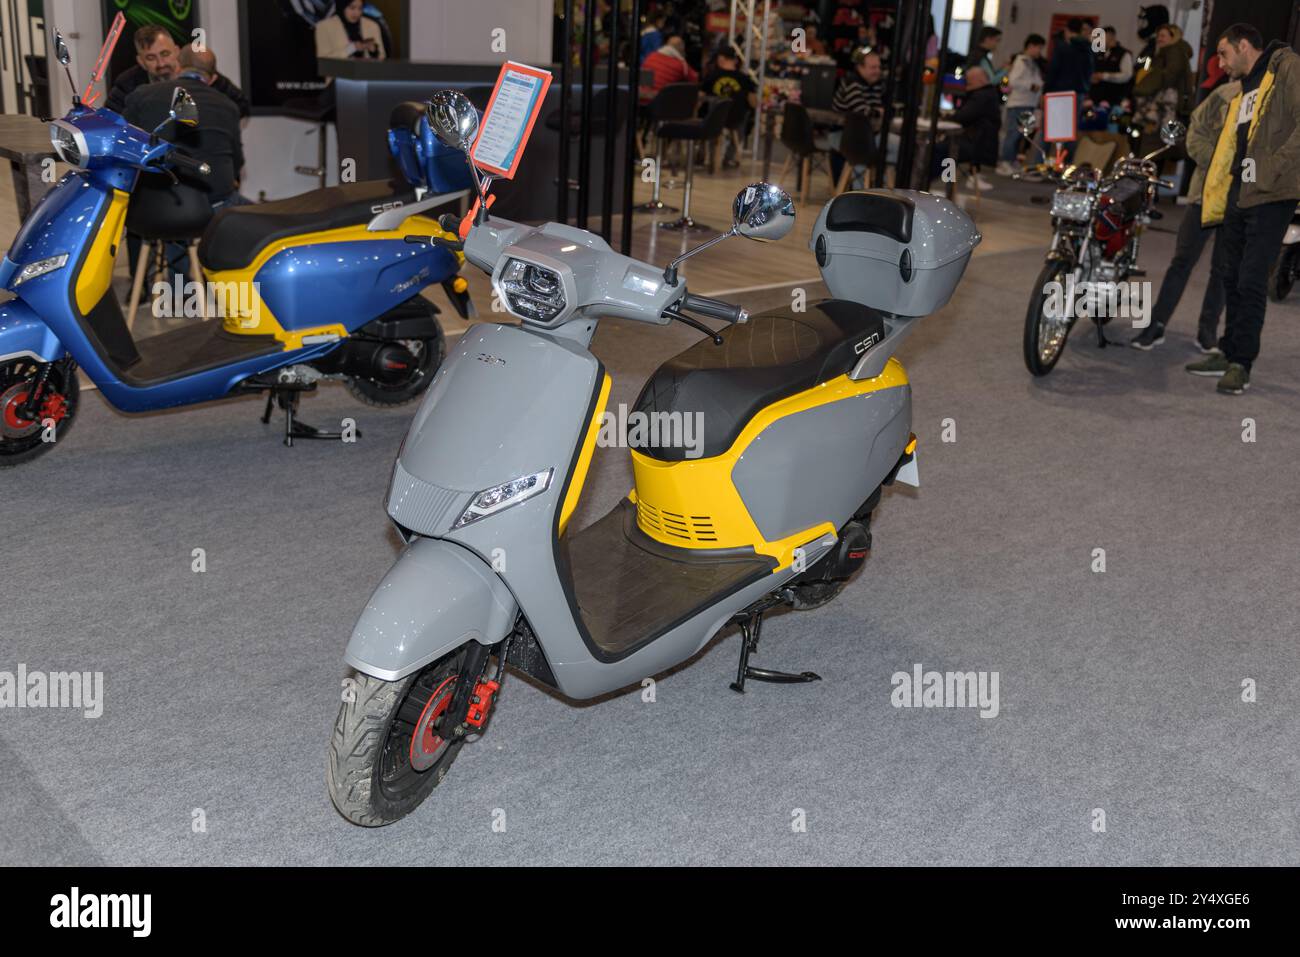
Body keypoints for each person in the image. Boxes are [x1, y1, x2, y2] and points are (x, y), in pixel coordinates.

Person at [1186, 24, 1300, 394]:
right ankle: (1228, 348)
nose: (1219, 63)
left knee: (1252, 278)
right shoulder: (1245, 86)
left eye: (1223, 53)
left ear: (1245, 45)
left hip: (1271, 192)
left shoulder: (1286, 67)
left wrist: (1270, 169)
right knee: (1228, 274)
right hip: (1238, 189)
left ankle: (1242, 362)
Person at [1130, 77, 1239, 350]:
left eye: (1225, 55)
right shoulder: (1223, 94)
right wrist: (1218, 162)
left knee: (1223, 269)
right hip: (1204, 194)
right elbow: (1195, 134)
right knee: (1182, 262)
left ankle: (1207, 331)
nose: (1222, 64)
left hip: (1239, 200)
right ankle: (1156, 324)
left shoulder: (1270, 99)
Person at [106, 24, 250, 118]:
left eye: (165, 54)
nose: (161, 63)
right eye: (151, 57)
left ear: (177, 51)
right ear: (141, 62)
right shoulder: (127, 83)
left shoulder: (199, 73)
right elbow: (109, 118)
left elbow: (240, 105)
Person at [830, 48, 893, 186]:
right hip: (843, 136)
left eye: (878, 67)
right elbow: (862, 112)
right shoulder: (852, 82)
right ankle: (874, 191)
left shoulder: (875, 83)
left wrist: (878, 111)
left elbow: (879, 110)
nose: (877, 71)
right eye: (873, 67)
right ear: (860, 68)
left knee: (894, 147)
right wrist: (878, 111)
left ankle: (876, 190)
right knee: (895, 148)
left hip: (864, 135)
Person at [933, 65, 1001, 191]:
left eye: (969, 81)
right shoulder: (988, 93)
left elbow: (963, 117)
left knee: (939, 149)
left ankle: (933, 182)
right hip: (980, 143)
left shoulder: (981, 96)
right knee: (943, 147)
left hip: (976, 146)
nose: (967, 83)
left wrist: (945, 119)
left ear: (980, 80)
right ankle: (945, 183)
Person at [997, 34, 1045, 176]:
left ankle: (1012, 160)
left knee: (1022, 134)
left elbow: (1036, 81)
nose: (1040, 51)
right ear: (1030, 46)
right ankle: (1004, 162)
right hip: (1018, 103)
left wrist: (1038, 86)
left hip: (1028, 103)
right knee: (1013, 133)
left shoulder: (1031, 62)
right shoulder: (1021, 61)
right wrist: (1031, 86)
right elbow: (1013, 81)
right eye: (1039, 48)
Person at [701, 45, 756, 167]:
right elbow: (753, 101)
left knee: (706, 118)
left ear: (720, 59)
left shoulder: (711, 76)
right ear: (735, 60)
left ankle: (709, 157)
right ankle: (729, 158)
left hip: (713, 119)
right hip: (735, 119)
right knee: (743, 121)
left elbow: (701, 96)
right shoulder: (744, 78)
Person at [1133, 23, 1193, 130]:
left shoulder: (1174, 52)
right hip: (1163, 100)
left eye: (1163, 36)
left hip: (1166, 100)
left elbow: (1170, 75)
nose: (1159, 39)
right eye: (1158, 36)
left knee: (1162, 134)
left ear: (1173, 37)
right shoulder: (1163, 53)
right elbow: (1145, 67)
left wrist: (1151, 89)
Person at [315, 0, 386, 60]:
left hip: (367, 74)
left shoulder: (372, 26)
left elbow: (382, 58)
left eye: (360, 8)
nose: (357, 13)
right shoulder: (324, 27)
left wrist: (374, 51)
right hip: (338, 75)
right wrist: (351, 48)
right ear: (342, 6)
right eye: (352, 8)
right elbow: (323, 60)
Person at [1090, 26, 1134, 107]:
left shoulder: (1124, 54)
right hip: (1096, 98)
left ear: (1111, 37)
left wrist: (1104, 76)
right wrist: (1093, 78)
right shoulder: (1099, 53)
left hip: (1114, 99)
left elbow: (1127, 75)